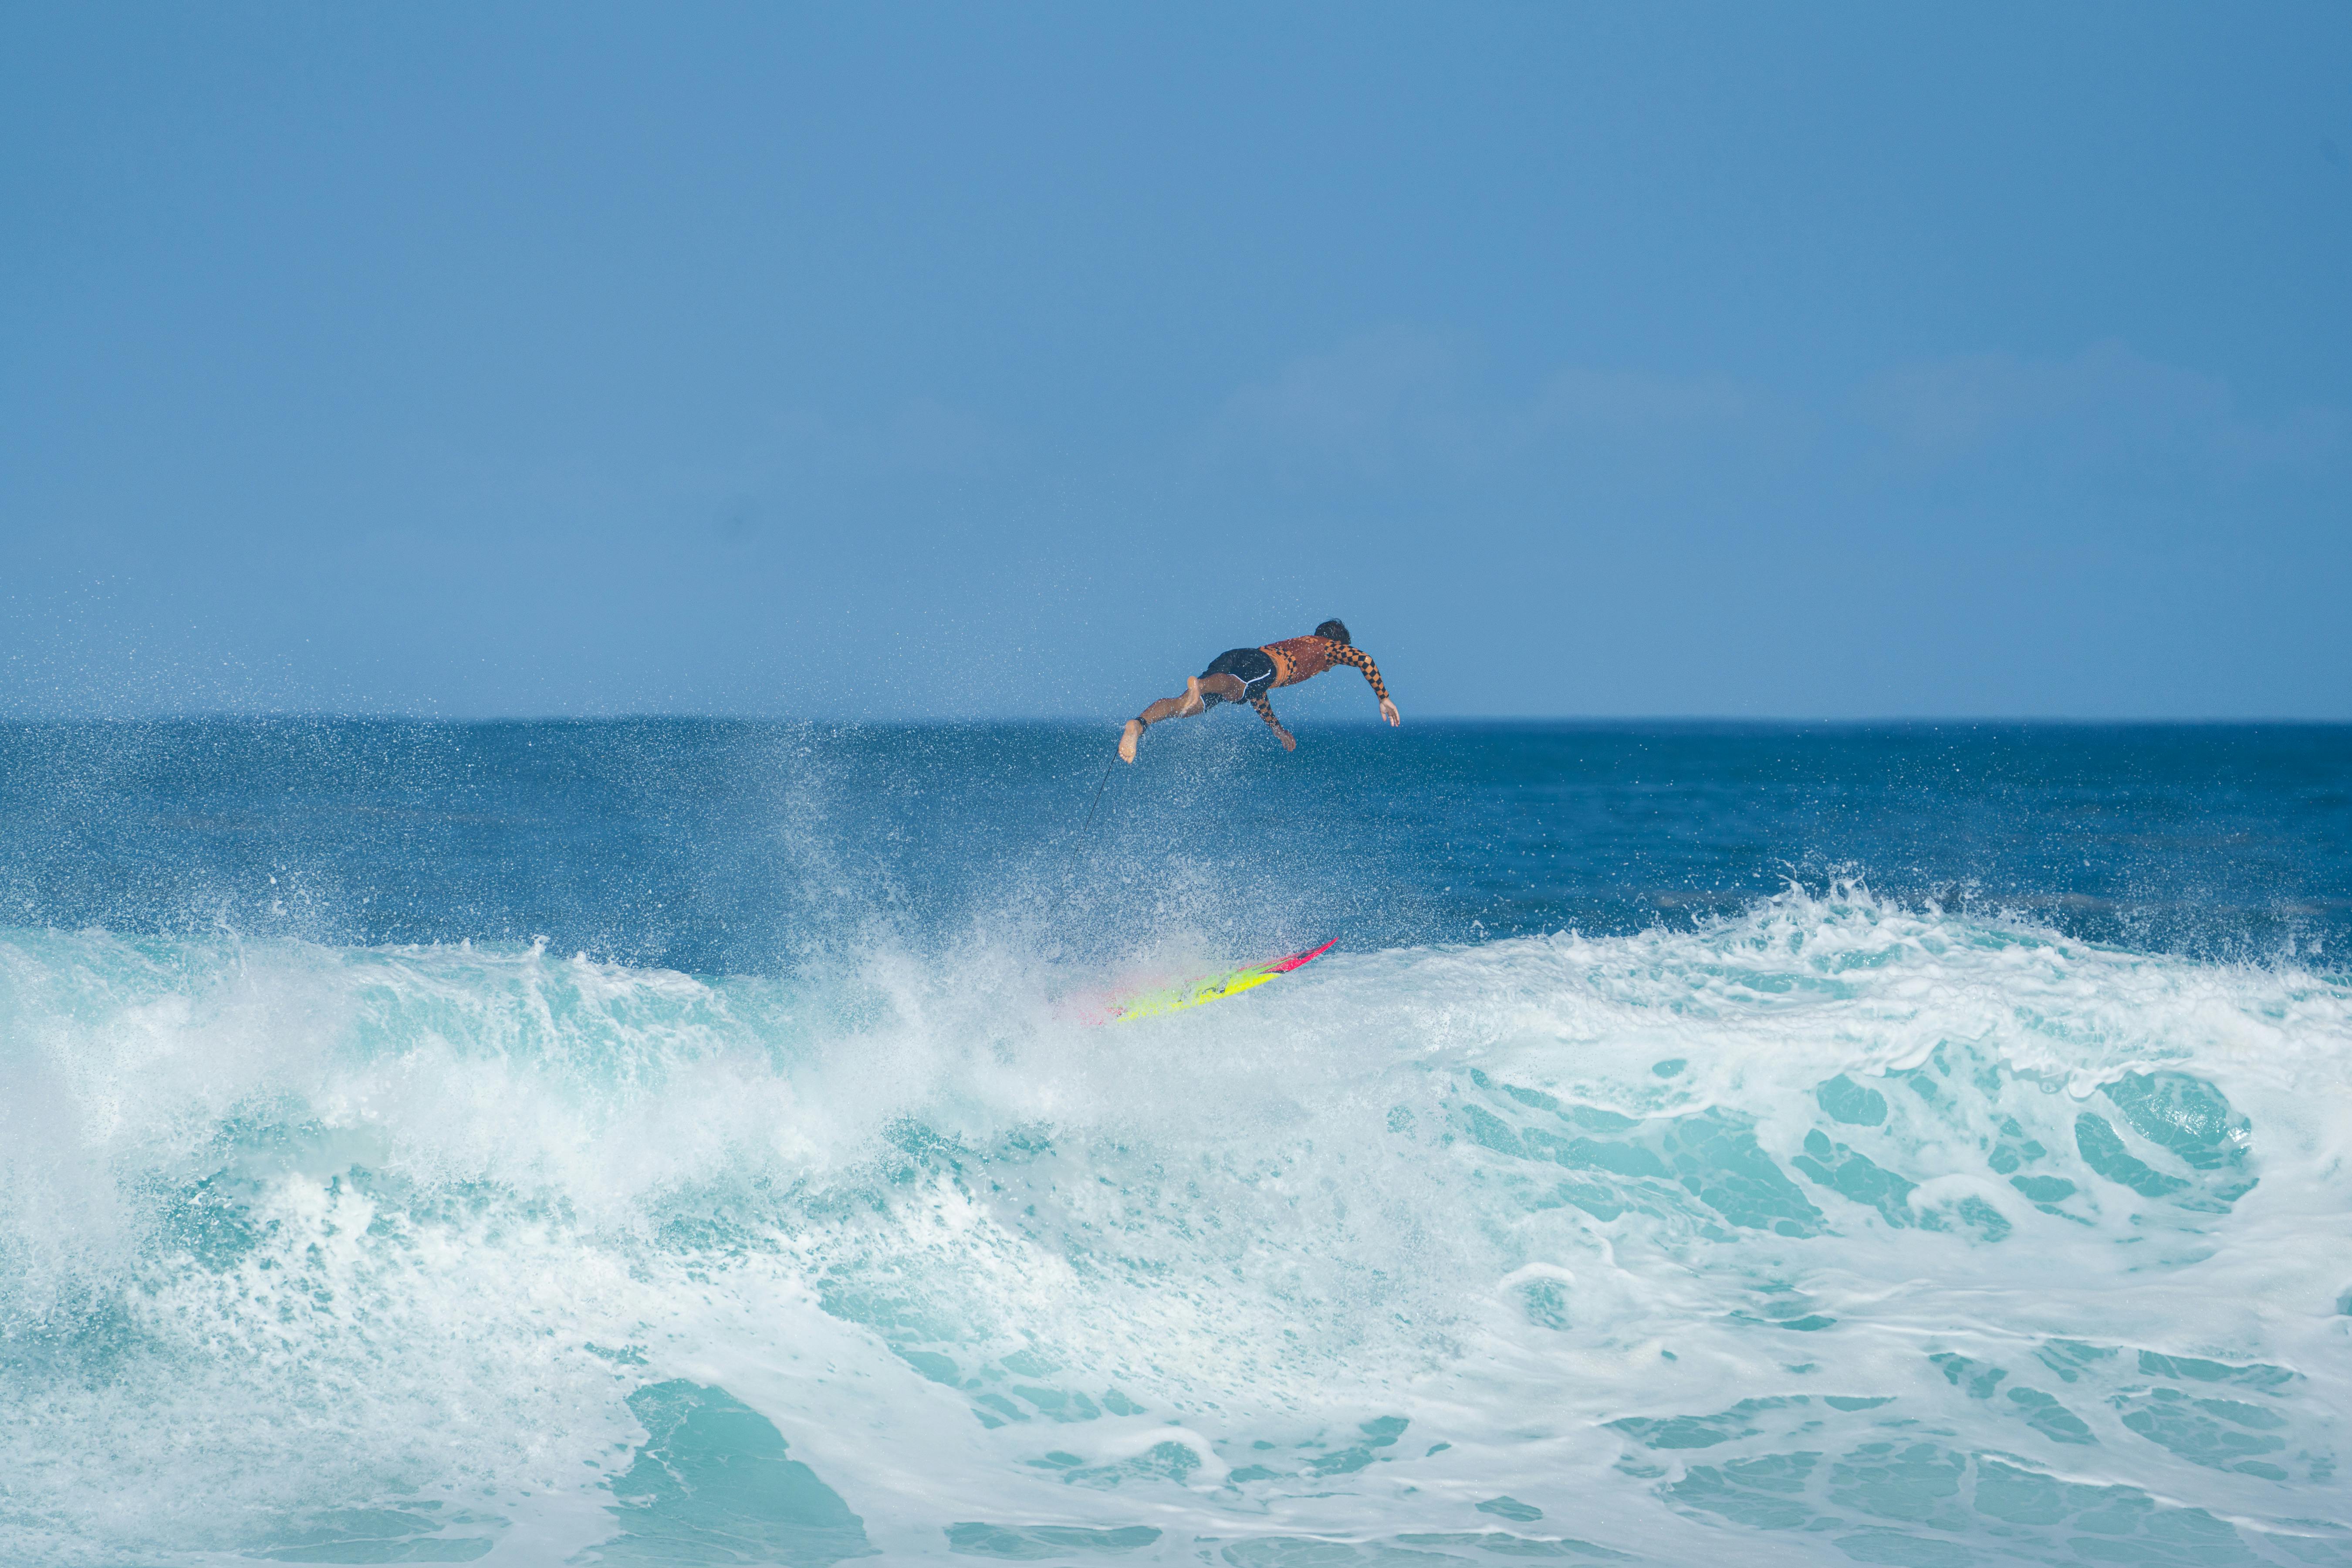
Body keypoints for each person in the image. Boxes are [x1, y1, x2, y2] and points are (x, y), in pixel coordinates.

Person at [1119, 619, 1399, 762]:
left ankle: (1139, 724)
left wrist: (1277, 729)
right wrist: (1384, 698)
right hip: (1262, 666)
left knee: (1185, 707)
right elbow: (1364, 660)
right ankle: (1200, 685)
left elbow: (1258, 692)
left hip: (1242, 657)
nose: (1332, 667)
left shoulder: (1300, 644)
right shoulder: (1327, 647)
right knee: (1234, 690)